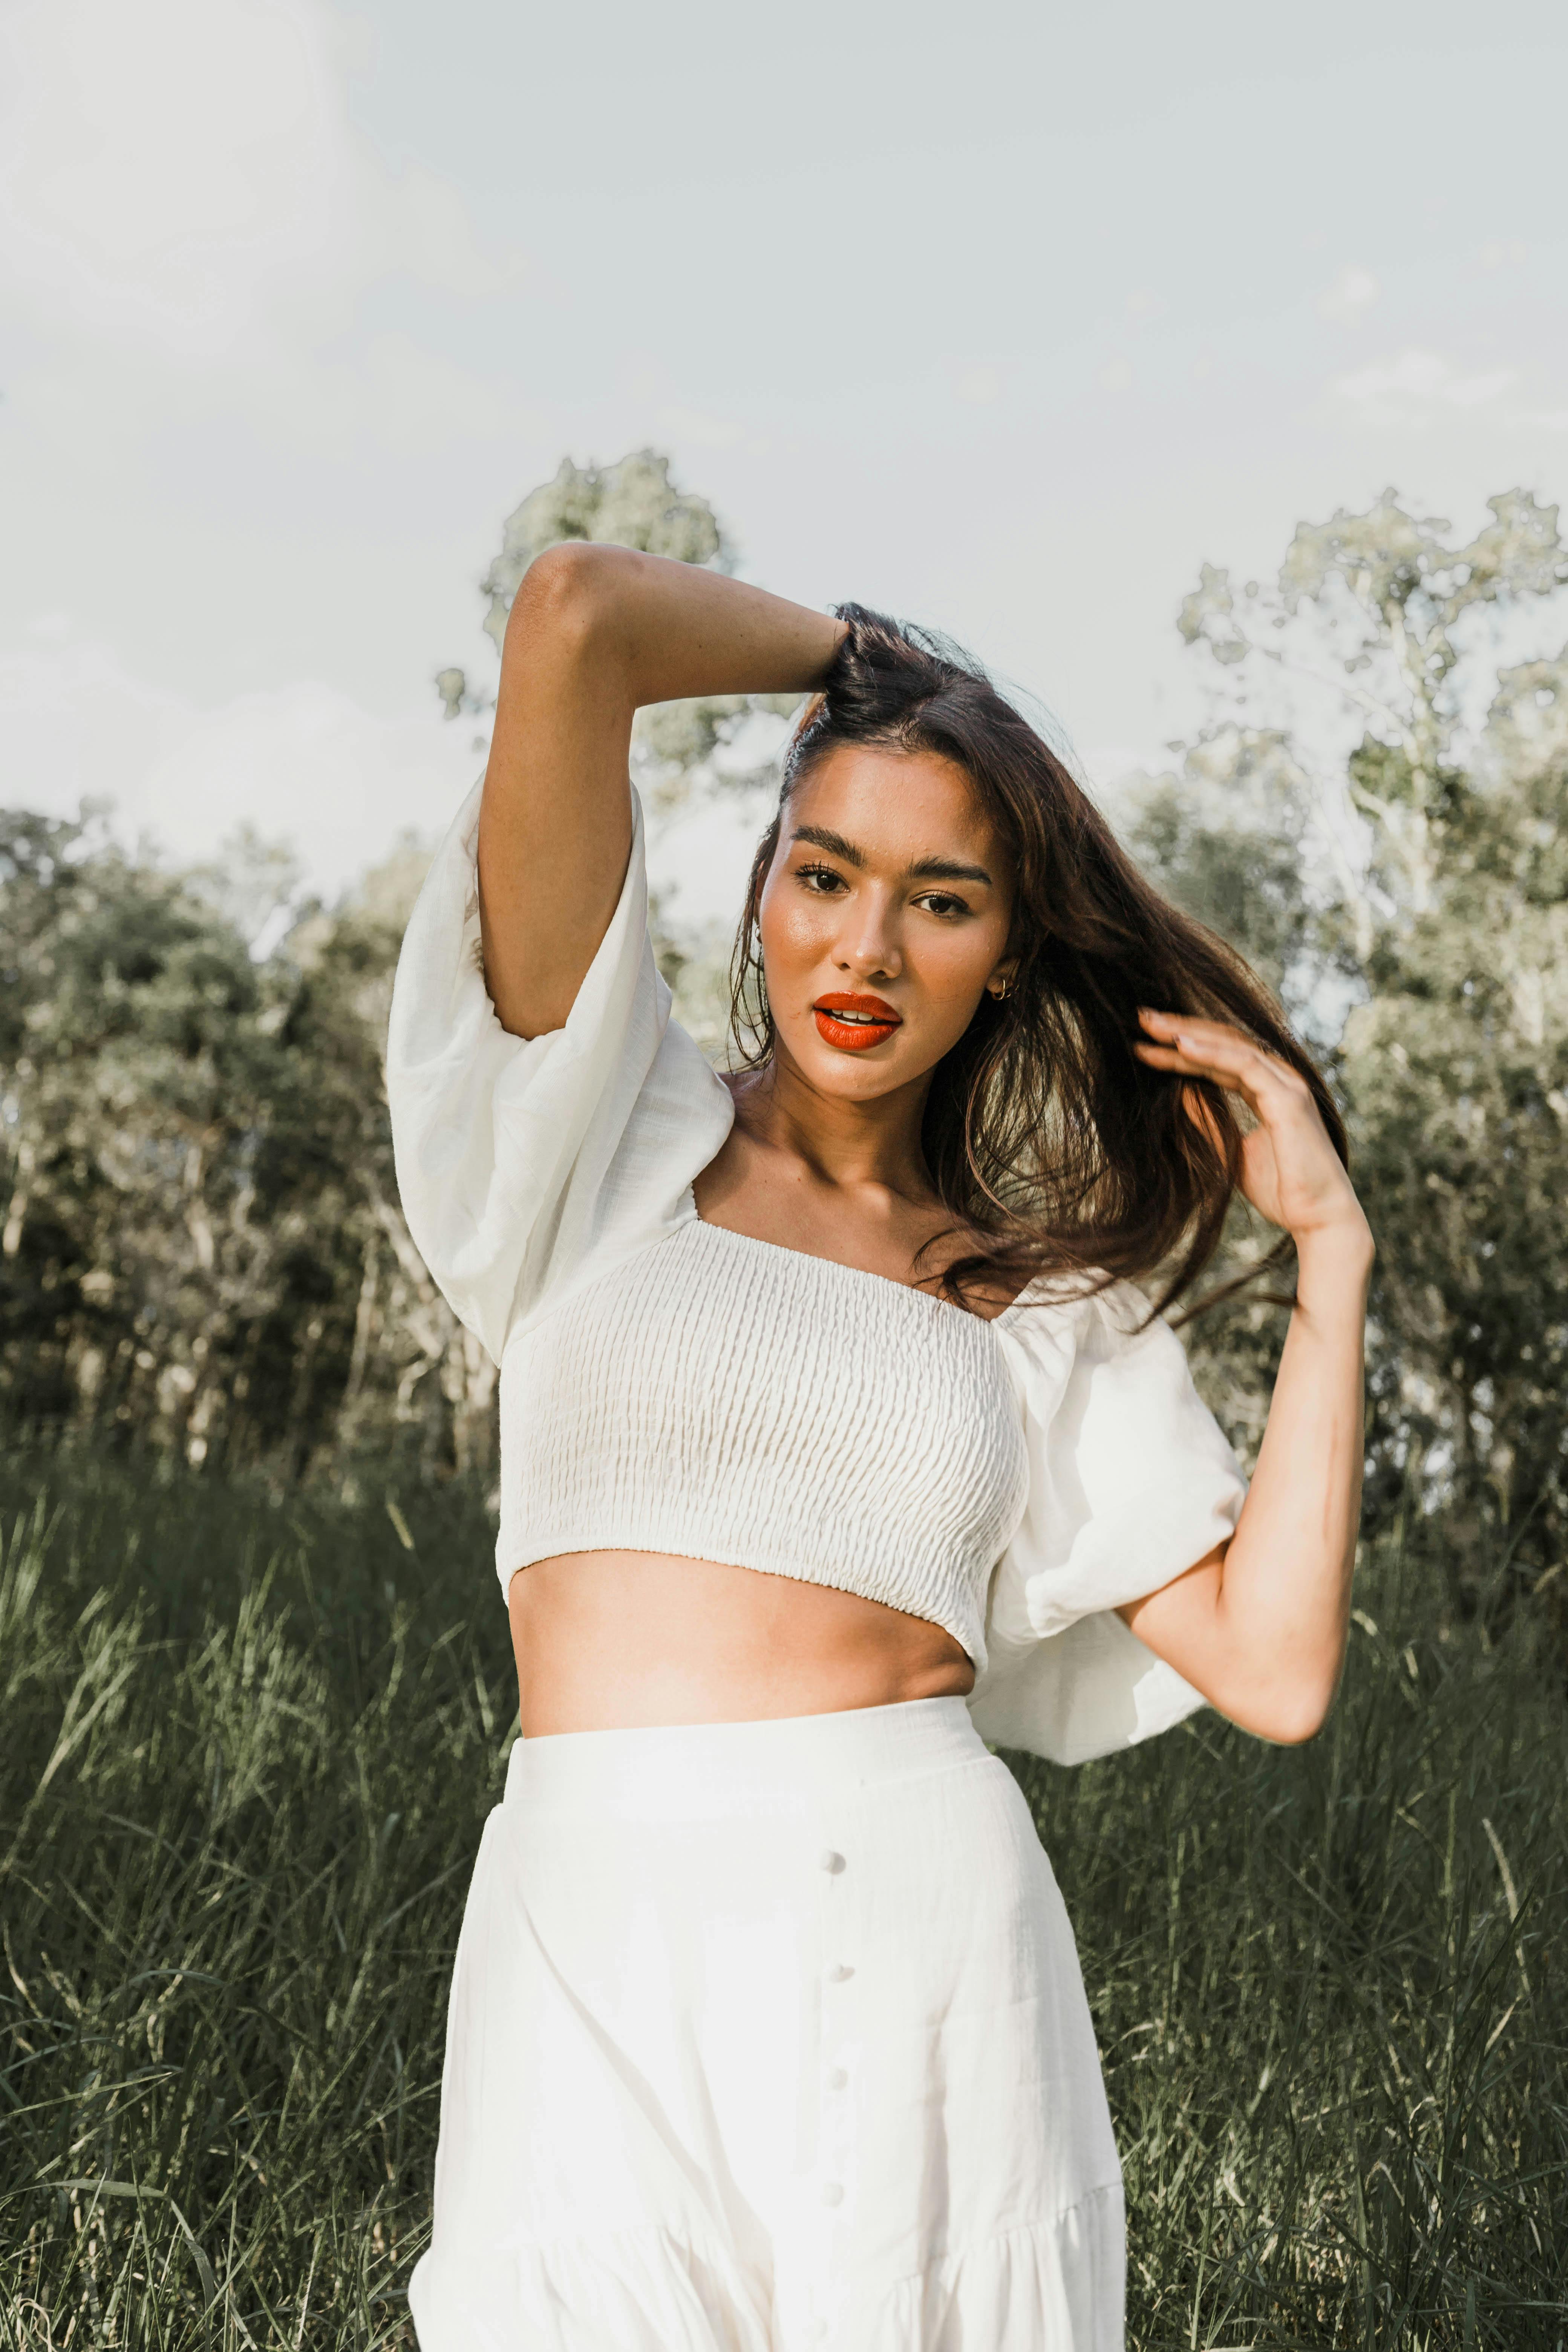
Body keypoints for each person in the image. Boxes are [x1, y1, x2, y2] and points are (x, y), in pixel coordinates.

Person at [386, 544, 1373, 2350]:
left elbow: (1275, 1665)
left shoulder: (1027, 1296)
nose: (863, 946)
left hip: (917, 1951)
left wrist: (1330, 1255)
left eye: (940, 900)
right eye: (824, 874)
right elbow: (573, 623)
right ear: (759, 891)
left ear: (1003, 958)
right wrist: (865, 660)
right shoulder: (604, 1132)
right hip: (587, 1931)